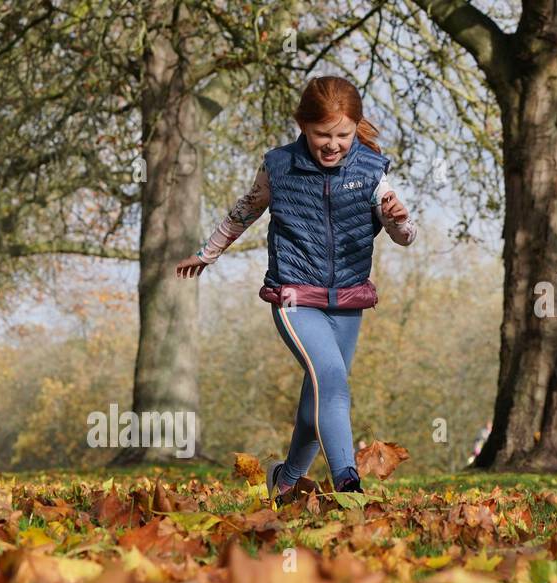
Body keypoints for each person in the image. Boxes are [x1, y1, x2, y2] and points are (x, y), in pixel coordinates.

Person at [175, 76, 416, 506]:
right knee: (333, 380)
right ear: (303, 125)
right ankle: (348, 484)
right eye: (322, 134)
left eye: (343, 134)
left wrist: (398, 219)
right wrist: (206, 254)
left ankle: (286, 480)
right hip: (294, 295)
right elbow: (243, 211)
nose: (332, 144)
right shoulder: (279, 166)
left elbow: (405, 236)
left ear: (355, 127)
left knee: (318, 391)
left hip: (347, 299)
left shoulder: (372, 171)